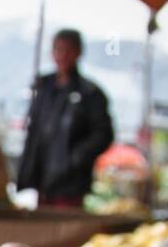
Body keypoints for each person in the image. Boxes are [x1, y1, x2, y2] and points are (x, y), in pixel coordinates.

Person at [15, 28, 114, 206]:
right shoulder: (43, 87)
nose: (62, 55)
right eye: (58, 49)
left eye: (68, 50)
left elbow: (104, 134)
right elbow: (34, 129)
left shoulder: (90, 93)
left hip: (70, 184)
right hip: (42, 180)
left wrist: (76, 158)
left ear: (78, 53)